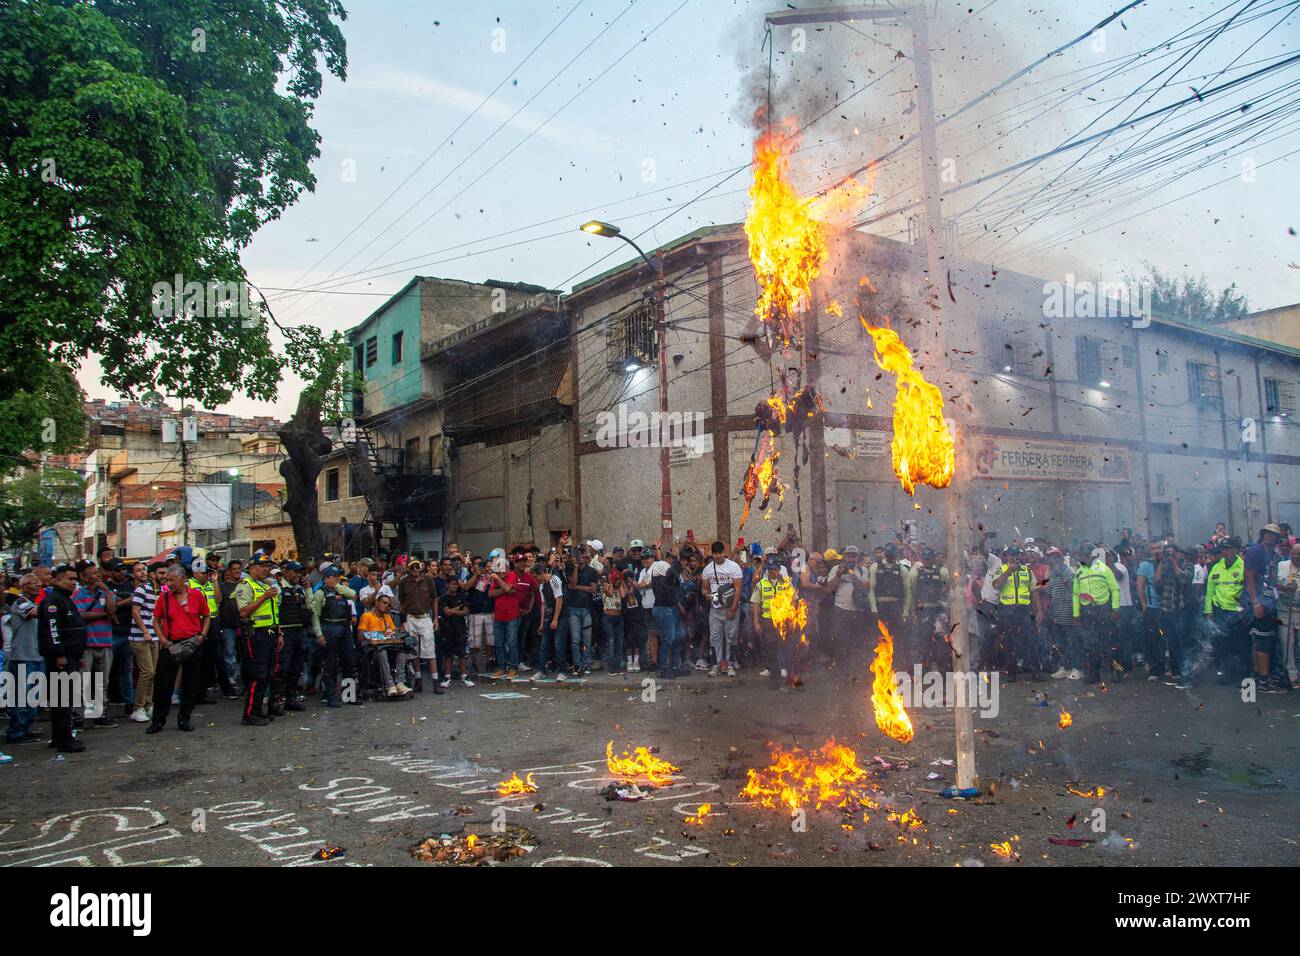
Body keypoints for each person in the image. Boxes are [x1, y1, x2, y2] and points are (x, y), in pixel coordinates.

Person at [147, 566, 210, 733]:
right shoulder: (164, 598)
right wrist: (162, 638)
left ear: (182, 579)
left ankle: (185, 718)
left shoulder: (196, 595)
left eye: (172, 580)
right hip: (171, 645)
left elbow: (206, 616)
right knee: (163, 684)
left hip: (193, 644)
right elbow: (156, 620)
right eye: (167, 580)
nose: (169, 583)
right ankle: (158, 721)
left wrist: (202, 635)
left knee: (190, 683)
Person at [39, 564, 87, 753]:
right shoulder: (53, 601)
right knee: (61, 699)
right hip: (61, 658)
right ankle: (64, 739)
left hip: (72, 656)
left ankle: (60, 737)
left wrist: (78, 654)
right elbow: (53, 630)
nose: (73, 583)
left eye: (75, 579)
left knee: (63, 698)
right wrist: (59, 654)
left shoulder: (66, 600)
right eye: (69, 579)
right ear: (57, 580)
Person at [234, 555, 282, 726]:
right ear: (252, 567)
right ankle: (249, 714)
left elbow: (274, 611)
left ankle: (258, 711)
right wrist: (264, 597)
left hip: (269, 633)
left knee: (267, 675)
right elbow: (243, 612)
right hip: (256, 635)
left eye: (268, 566)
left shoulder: (265, 585)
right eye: (262, 566)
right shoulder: (245, 586)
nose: (266, 569)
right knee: (257, 675)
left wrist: (279, 633)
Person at [73, 561, 117, 727]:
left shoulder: (106, 592)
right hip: (87, 644)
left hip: (105, 643)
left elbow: (112, 611)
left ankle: (101, 714)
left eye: (97, 572)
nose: (97, 575)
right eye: (92, 573)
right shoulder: (79, 594)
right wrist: (102, 615)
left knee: (102, 683)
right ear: (83, 577)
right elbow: (82, 615)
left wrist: (107, 592)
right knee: (81, 683)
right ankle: (77, 717)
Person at [5, 575, 45, 744]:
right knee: (22, 696)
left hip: (36, 655)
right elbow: (33, 614)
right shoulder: (21, 602)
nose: (37, 586)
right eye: (33, 584)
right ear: (24, 586)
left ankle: (26, 729)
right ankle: (16, 732)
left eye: (39, 584)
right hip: (22, 656)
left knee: (33, 695)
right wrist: (52, 608)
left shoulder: (35, 603)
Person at [1242, 524, 1283, 689]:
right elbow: (1249, 576)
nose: (1269, 536)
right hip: (1259, 601)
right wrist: (1255, 602)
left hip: (1271, 601)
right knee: (1263, 640)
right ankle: (1264, 679)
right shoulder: (1255, 551)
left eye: (1273, 535)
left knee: (1263, 639)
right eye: (1267, 533)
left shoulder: (1275, 555)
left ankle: (1258, 675)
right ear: (1262, 534)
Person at [1073, 547, 1121, 684]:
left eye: (1086, 555)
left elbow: (1115, 589)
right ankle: (1094, 674)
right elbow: (1075, 595)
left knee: (1110, 643)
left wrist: (1115, 609)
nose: (1083, 558)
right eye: (1081, 555)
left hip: (1103, 610)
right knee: (1090, 644)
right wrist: (1076, 614)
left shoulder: (1104, 569)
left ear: (1092, 556)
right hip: (1087, 612)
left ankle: (1116, 671)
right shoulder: (1079, 572)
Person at [271, 561, 314, 712]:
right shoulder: (278, 588)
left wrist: (308, 589)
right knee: (282, 668)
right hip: (285, 632)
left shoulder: (300, 589)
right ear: (286, 572)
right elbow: (274, 610)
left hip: (300, 631)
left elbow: (311, 607)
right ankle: (276, 700)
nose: (298, 575)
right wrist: (278, 632)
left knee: (296, 668)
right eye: (295, 572)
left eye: (300, 573)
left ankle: (291, 698)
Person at [1204, 537, 1246, 684]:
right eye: (1224, 549)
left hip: (1237, 611)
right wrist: (1208, 611)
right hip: (1220, 611)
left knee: (1239, 645)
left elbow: (1247, 590)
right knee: (1224, 644)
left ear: (1236, 550)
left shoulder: (1243, 566)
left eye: (1229, 549)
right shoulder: (1217, 567)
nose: (1226, 552)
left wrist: (1244, 610)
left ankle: (1242, 675)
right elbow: (1210, 590)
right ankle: (1229, 675)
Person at [992, 546, 1037, 682]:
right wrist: (1009, 571)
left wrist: (1037, 611)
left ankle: (1035, 671)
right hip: (1007, 610)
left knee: (1030, 641)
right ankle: (1012, 673)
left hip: (1023, 610)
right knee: (1008, 642)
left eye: (1016, 554)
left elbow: (1033, 592)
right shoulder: (1001, 570)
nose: (1014, 557)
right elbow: (996, 585)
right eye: (1011, 554)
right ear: (1006, 556)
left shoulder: (1027, 571)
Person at [397, 560, 442, 693]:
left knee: (430, 650)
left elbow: (434, 598)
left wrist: (435, 619)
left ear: (421, 568)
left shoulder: (428, 579)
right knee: (413, 651)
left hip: (424, 617)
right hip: (410, 618)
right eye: (412, 567)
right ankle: (418, 680)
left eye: (417, 566)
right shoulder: (404, 582)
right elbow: (402, 602)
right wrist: (401, 622)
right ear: (409, 569)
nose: (415, 569)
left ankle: (435, 682)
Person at [753, 556, 798, 688]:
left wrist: (793, 619)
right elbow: (756, 604)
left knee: (788, 650)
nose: (773, 571)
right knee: (772, 652)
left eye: (775, 569)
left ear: (779, 569)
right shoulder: (761, 584)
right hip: (768, 622)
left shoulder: (786, 583)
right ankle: (775, 680)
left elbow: (794, 600)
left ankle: (792, 679)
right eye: (770, 569)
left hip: (784, 621)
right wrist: (756, 622)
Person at [701, 540, 743, 678]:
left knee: (731, 637)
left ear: (724, 552)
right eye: (715, 553)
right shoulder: (707, 569)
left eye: (720, 553)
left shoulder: (733, 567)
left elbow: (738, 589)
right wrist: (706, 595)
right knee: (715, 638)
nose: (718, 556)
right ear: (712, 554)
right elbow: (704, 588)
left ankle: (730, 664)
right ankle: (716, 665)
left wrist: (733, 609)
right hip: (715, 609)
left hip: (730, 607)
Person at [359, 593, 411, 699]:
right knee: (382, 653)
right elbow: (360, 635)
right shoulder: (367, 616)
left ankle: (400, 682)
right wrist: (375, 634)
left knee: (402, 651)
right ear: (377, 602)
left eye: (388, 604)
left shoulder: (387, 617)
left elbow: (395, 632)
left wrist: (391, 631)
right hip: (373, 647)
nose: (386, 605)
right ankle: (390, 684)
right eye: (384, 603)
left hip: (387, 645)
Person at [824, 546, 869, 666]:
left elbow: (866, 589)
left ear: (857, 557)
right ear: (844, 557)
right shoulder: (836, 569)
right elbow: (828, 589)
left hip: (858, 611)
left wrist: (854, 579)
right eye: (849, 556)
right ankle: (842, 669)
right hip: (841, 611)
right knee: (841, 641)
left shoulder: (863, 570)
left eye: (853, 556)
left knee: (856, 642)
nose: (851, 559)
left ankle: (856, 668)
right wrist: (839, 575)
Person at [187, 559, 223, 705]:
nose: (206, 575)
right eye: (203, 573)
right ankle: (192, 693)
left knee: (209, 659)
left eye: (207, 572)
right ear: (195, 572)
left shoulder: (209, 584)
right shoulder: (189, 584)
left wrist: (215, 581)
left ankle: (202, 692)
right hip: (197, 622)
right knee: (196, 659)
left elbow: (219, 599)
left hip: (212, 622)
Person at [908, 548, 950, 672]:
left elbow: (947, 589)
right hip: (923, 612)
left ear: (933, 558)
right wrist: (912, 612)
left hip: (938, 612)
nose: (927, 561)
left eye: (929, 558)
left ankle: (942, 670)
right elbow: (913, 592)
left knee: (941, 643)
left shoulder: (942, 572)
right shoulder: (916, 573)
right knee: (924, 643)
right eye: (925, 559)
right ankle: (926, 671)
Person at [1042, 549, 1082, 679]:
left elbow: (1073, 586)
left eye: (1054, 557)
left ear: (1060, 558)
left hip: (1069, 613)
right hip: (1057, 614)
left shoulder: (1067, 571)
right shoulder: (1052, 575)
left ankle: (1077, 668)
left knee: (1073, 642)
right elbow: (1047, 590)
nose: (1051, 560)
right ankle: (1066, 667)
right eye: (1049, 558)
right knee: (1063, 643)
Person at [105, 559, 136, 718]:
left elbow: (134, 602)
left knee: (127, 669)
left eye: (124, 569)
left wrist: (119, 602)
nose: (122, 572)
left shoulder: (129, 586)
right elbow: (108, 609)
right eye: (118, 570)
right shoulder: (106, 587)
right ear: (110, 571)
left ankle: (129, 702)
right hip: (111, 633)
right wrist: (122, 602)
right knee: (106, 669)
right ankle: (104, 705)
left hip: (127, 632)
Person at [869, 542, 910, 656]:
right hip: (880, 607)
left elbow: (908, 592)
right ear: (884, 555)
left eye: (892, 555)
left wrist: (906, 612)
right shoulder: (875, 567)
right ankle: (880, 664)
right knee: (879, 638)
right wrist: (873, 608)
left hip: (896, 607)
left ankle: (897, 664)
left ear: (896, 555)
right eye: (888, 555)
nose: (890, 558)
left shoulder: (902, 570)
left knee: (897, 637)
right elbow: (871, 590)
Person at [650, 549, 686, 679]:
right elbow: (669, 592)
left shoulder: (670, 569)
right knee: (668, 639)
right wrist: (679, 605)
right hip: (664, 608)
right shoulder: (662, 567)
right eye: (672, 557)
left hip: (670, 608)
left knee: (679, 637)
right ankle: (662, 669)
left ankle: (674, 667)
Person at [436, 574, 474, 688]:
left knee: (462, 653)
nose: (455, 586)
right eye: (452, 584)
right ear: (447, 585)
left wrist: (453, 611)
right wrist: (458, 608)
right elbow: (445, 612)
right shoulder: (443, 598)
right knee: (448, 654)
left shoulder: (462, 596)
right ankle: (447, 677)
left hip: (460, 627)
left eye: (456, 584)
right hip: (447, 628)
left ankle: (464, 677)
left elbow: (466, 611)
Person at [566, 549, 600, 676]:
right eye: (578, 555)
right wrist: (575, 568)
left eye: (582, 555)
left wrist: (576, 588)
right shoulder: (570, 568)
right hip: (573, 608)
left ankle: (586, 664)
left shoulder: (591, 571)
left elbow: (593, 589)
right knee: (575, 639)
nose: (580, 558)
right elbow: (572, 582)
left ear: (586, 557)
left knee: (586, 640)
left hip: (586, 608)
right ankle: (577, 664)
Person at [488, 555, 522, 678]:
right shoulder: (497, 578)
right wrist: (506, 590)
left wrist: (500, 581)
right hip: (499, 616)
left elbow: (508, 588)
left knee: (512, 642)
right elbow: (491, 593)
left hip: (512, 615)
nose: (501, 572)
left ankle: (513, 667)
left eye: (503, 570)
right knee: (498, 643)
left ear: (508, 568)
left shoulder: (512, 575)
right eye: (499, 570)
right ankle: (502, 667)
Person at [1276, 541, 1300, 689]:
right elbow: (1273, 587)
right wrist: (1283, 589)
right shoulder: (1281, 566)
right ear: (1290, 553)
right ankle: (1291, 675)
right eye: (1294, 553)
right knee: (1286, 644)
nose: (1297, 556)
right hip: (1284, 611)